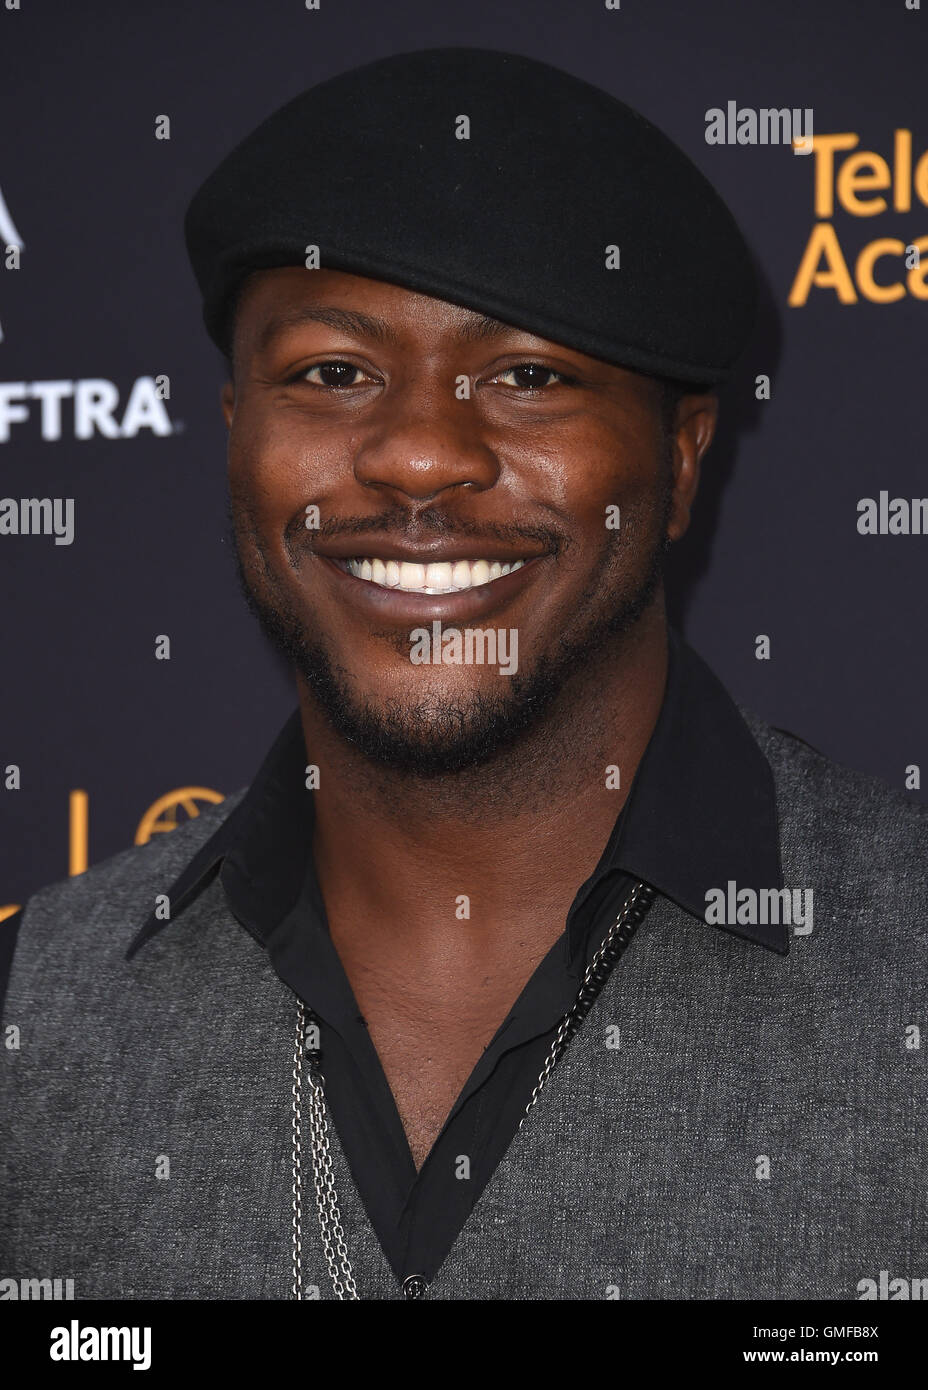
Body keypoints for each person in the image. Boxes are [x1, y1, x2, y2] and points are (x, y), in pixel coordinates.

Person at [1, 48, 924, 1302]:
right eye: (333, 372)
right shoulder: (33, 1017)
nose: (421, 456)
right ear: (237, 440)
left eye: (529, 376)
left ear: (682, 461)